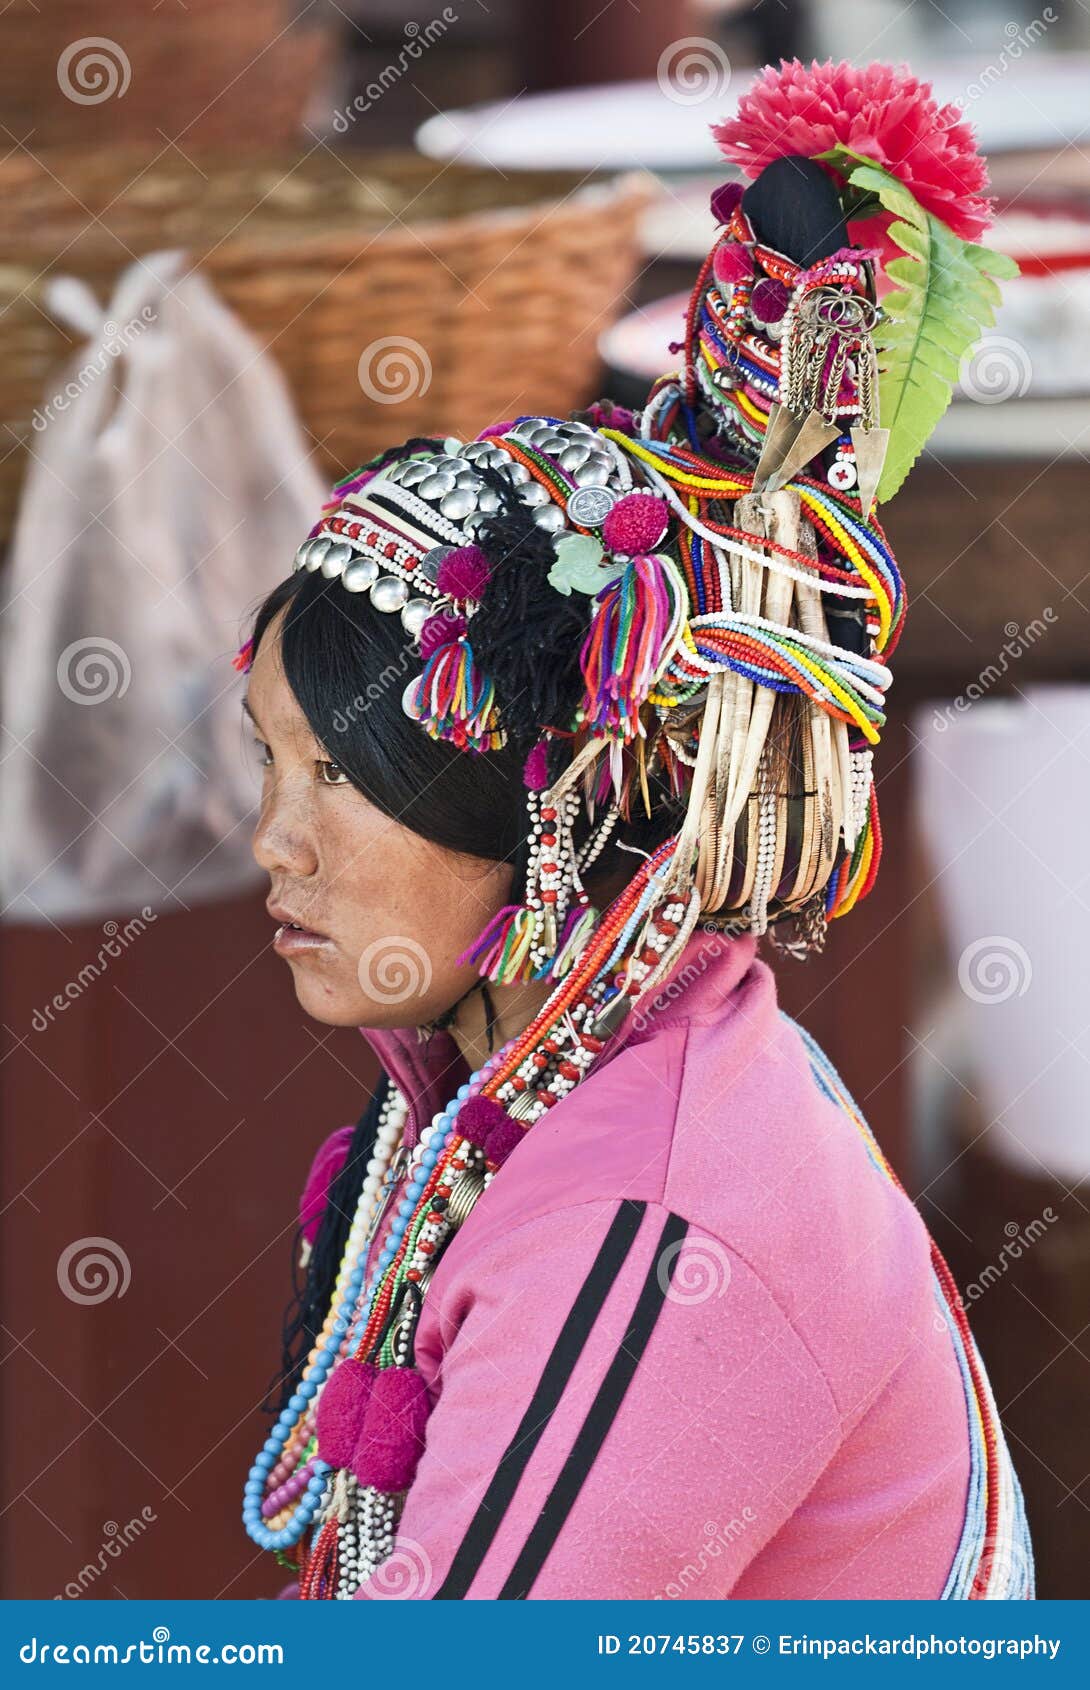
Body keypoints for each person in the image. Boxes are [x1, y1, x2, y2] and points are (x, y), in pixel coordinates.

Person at [235, 59, 1032, 1600]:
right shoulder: (588, 1068)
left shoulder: (650, 1230)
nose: (275, 840)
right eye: (269, 763)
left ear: (558, 810)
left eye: (338, 777)